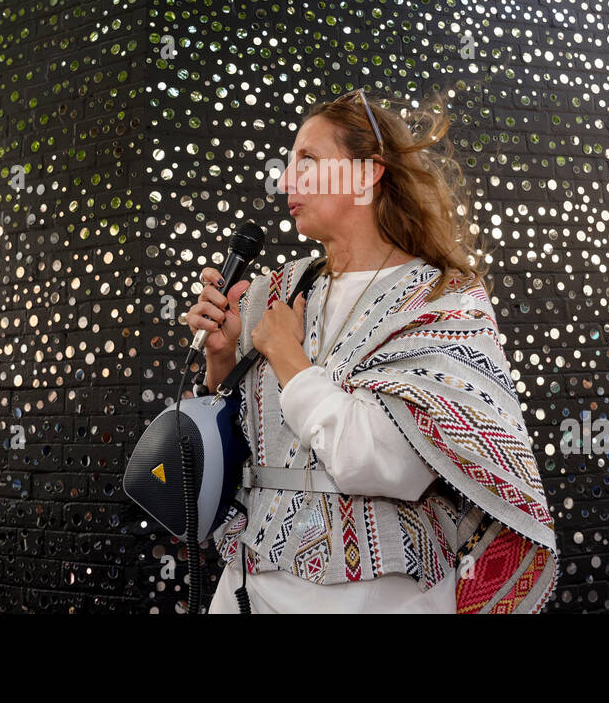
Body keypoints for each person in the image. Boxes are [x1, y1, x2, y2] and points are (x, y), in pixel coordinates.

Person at [184, 88, 558, 613]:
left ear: (367, 172)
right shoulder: (273, 293)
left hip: (377, 596)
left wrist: (287, 357)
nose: (287, 181)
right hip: (247, 585)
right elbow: (246, 441)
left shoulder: (442, 303)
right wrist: (221, 363)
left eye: (308, 161)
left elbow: (388, 464)